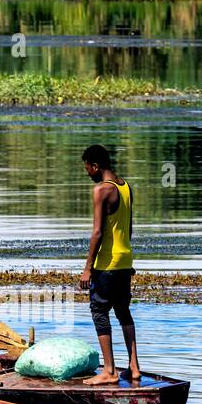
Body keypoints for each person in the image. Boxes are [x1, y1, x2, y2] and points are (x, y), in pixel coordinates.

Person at [78, 144, 141, 386]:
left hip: (107, 263)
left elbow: (97, 233)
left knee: (99, 311)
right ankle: (134, 367)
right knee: (123, 311)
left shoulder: (102, 190)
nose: (87, 173)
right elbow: (129, 228)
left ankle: (110, 371)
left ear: (95, 165)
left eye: (88, 168)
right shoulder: (125, 187)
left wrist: (88, 268)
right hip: (125, 259)